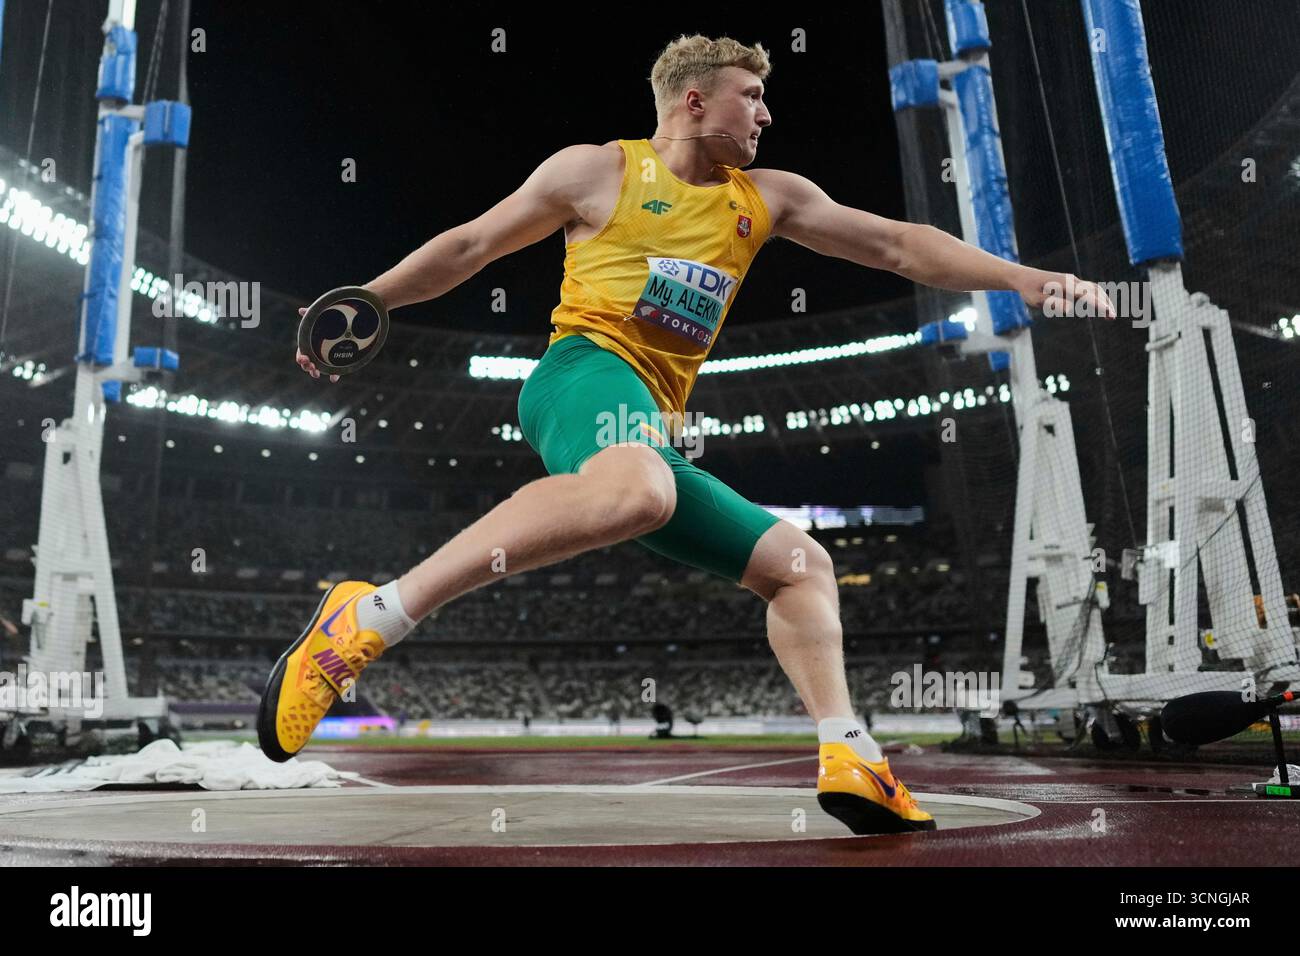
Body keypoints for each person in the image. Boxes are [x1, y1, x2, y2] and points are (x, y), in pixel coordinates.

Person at [259, 35, 1114, 834]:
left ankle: (851, 752)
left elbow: (896, 245)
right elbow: (472, 244)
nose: (767, 114)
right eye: (754, 96)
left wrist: (1024, 279)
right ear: (696, 102)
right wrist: (370, 297)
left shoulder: (769, 198)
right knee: (640, 489)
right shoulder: (597, 172)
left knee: (802, 567)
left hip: (649, 428)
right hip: (580, 376)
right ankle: (367, 617)